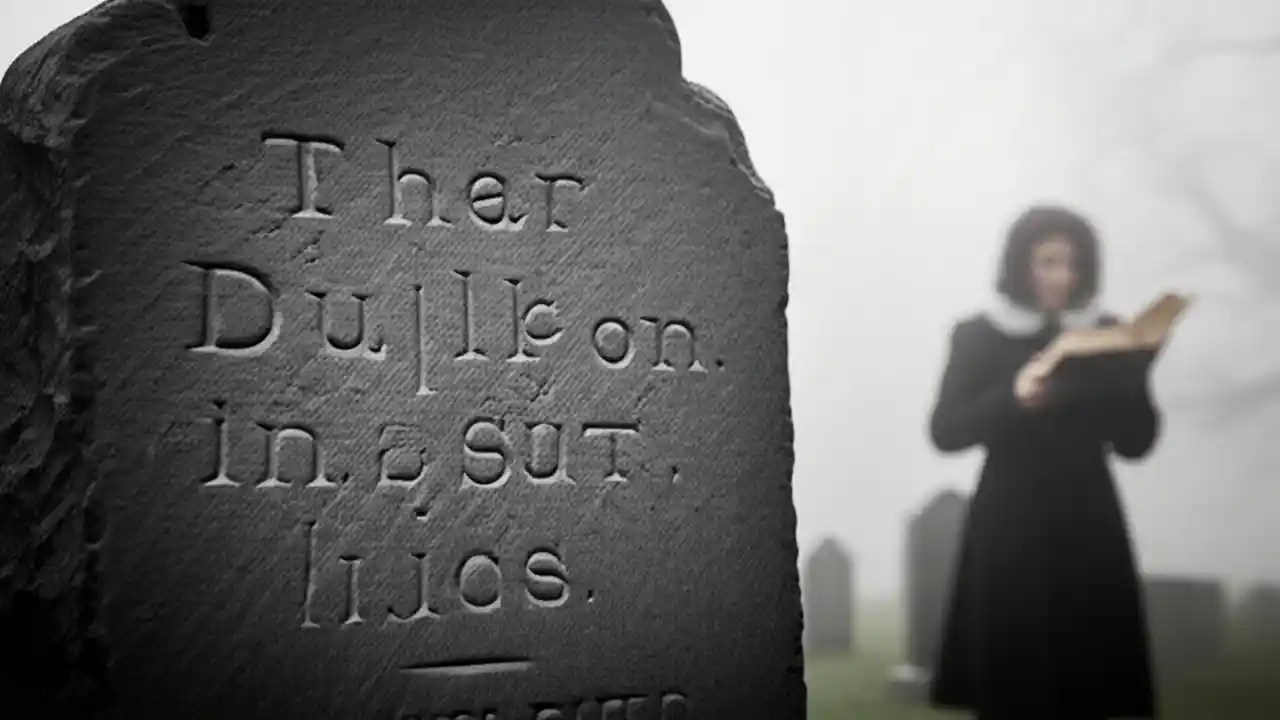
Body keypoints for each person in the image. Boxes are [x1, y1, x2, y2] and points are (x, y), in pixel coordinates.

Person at [927, 205, 1160, 720]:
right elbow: (945, 430)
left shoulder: (1109, 334)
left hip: (1089, 521)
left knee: (1093, 684)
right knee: (1014, 682)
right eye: (1049, 262)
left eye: (1073, 264)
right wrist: (1013, 398)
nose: (1063, 276)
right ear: (1020, 265)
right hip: (1010, 527)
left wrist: (1136, 372)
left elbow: (1136, 442)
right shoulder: (978, 334)